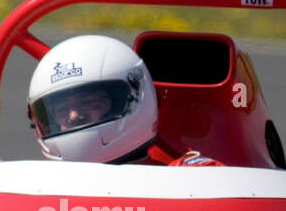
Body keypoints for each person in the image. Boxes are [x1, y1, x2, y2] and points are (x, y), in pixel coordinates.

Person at [27, 35, 222, 165]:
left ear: (132, 98)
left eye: (88, 103)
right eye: (60, 110)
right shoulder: (32, 187)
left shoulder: (192, 180)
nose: (74, 115)